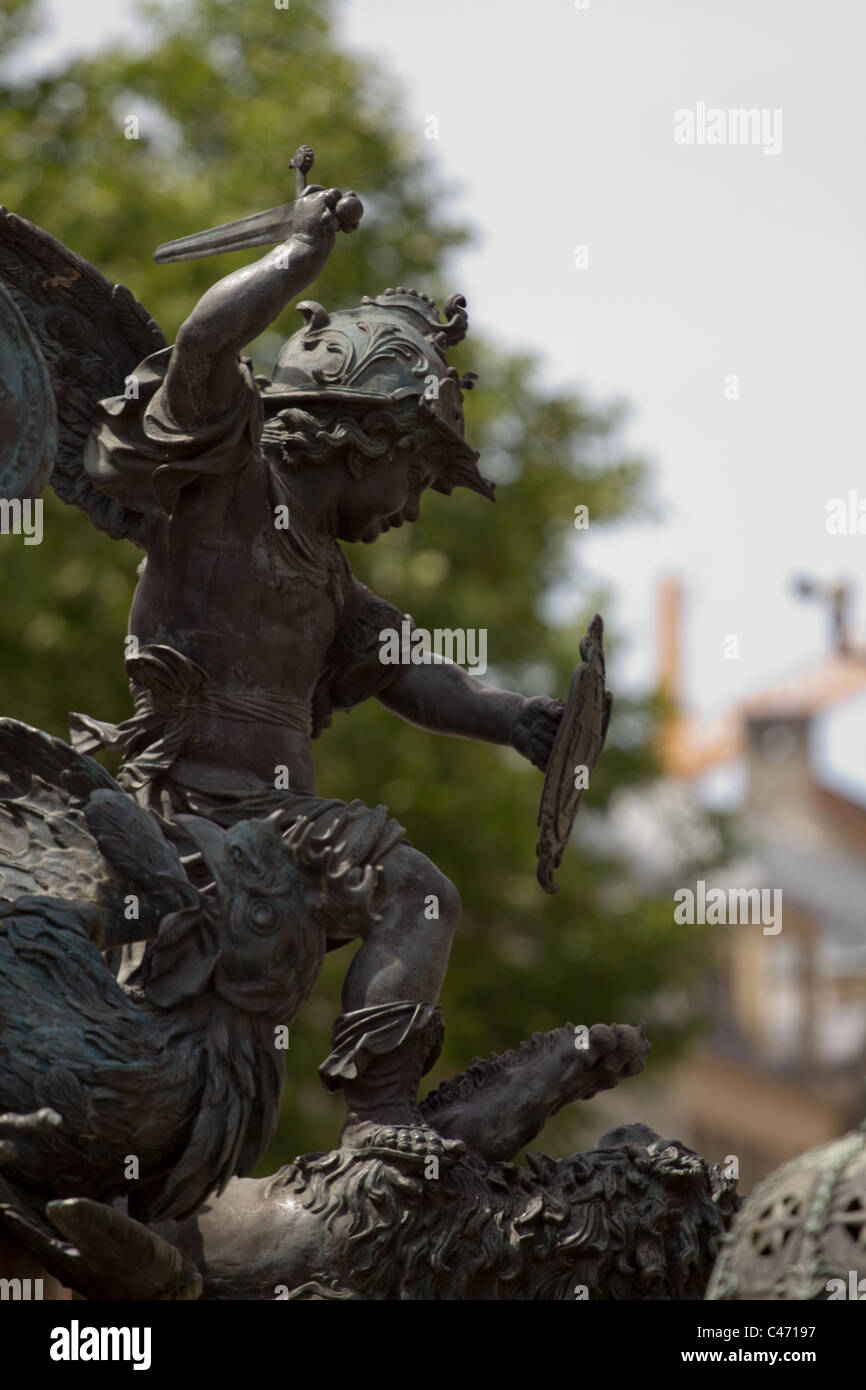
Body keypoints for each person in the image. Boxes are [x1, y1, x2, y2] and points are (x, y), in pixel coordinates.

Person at [73, 183, 564, 1162]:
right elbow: (207, 351)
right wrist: (294, 263)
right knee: (417, 891)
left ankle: (375, 1111)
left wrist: (515, 720)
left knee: (414, 896)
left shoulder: (331, 580)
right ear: (358, 434)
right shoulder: (223, 482)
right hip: (189, 814)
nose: (411, 510)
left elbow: (417, 678)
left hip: (281, 827)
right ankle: (379, 1111)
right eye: (415, 478)